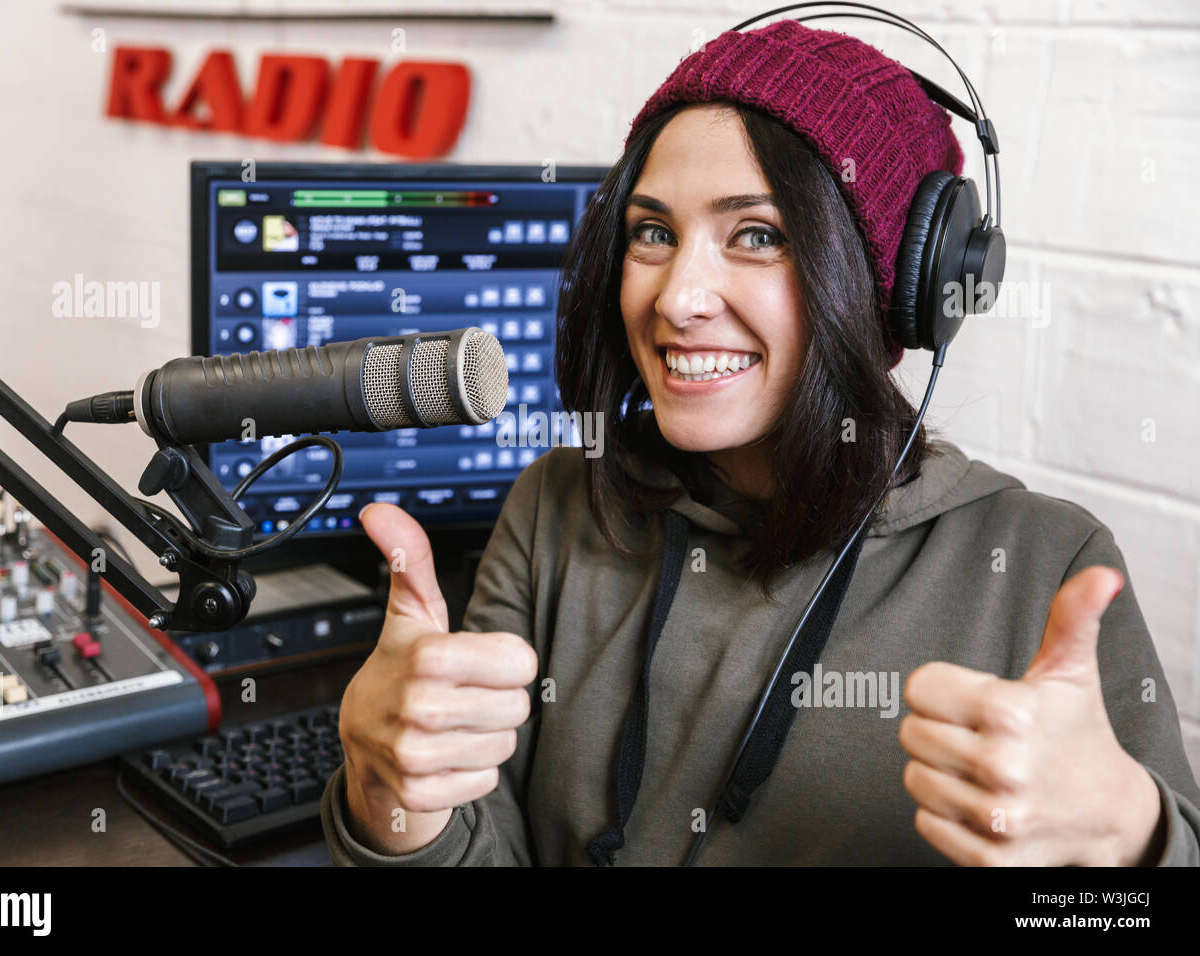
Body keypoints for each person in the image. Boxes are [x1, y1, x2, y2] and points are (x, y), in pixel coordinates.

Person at [319, 19, 1200, 865]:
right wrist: (392, 803)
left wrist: (1125, 838)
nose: (676, 298)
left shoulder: (1041, 562)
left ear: (896, 288)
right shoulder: (559, 504)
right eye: (653, 232)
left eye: (758, 235)